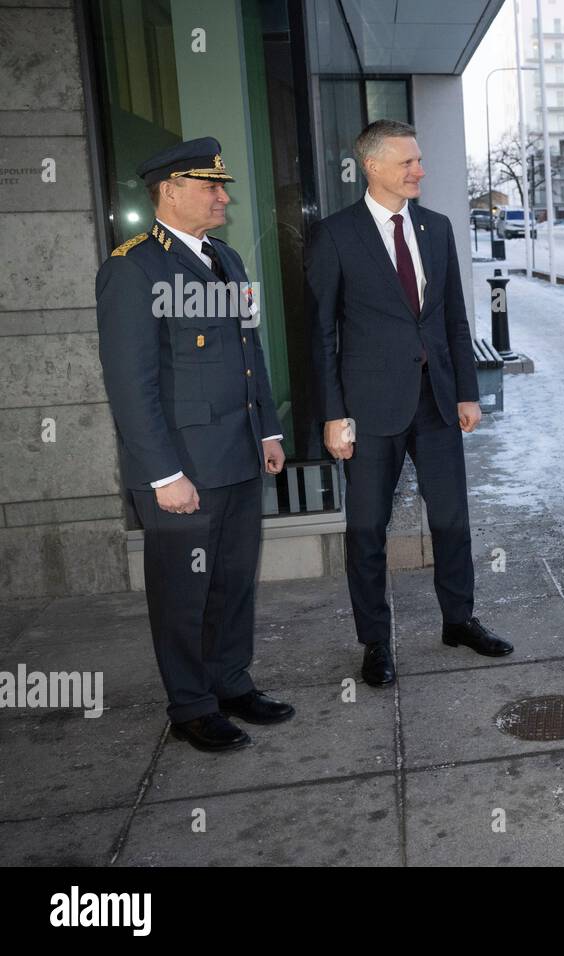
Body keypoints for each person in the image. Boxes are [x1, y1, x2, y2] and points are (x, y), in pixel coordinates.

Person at [96, 137, 293, 753]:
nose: (223, 196)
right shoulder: (133, 268)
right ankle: (190, 705)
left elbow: (247, 351)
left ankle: (231, 683)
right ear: (169, 191)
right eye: (211, 186)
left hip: (236, 452)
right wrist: (161, 475)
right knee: (184, 592)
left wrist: (266, 428)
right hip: (181, 468)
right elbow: (131, 385)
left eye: (222, 186)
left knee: (234, 581)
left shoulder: (227, 260)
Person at [306, 120, 512, 688]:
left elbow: (452, 317)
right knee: (367, 528)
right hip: (369, 410)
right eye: (408, 162)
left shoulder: (437, 228)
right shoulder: (336, 235)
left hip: (438, 403)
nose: (419, 170)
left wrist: (467, 392)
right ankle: (376, 641)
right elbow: (322, 334)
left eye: (419, 160)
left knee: (451, 519)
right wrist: (333, 413)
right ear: (372, 166)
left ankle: (459, 619)